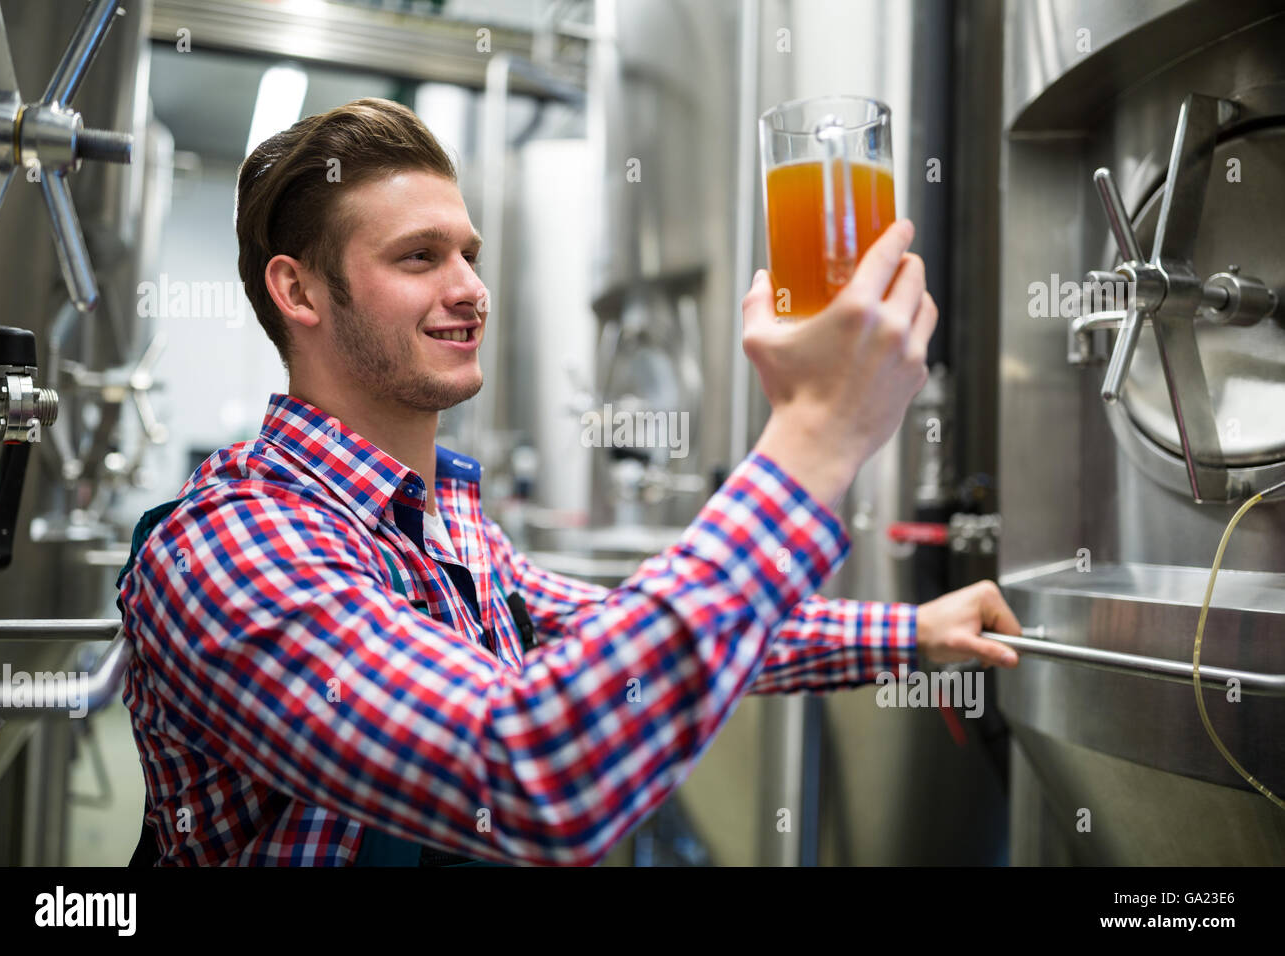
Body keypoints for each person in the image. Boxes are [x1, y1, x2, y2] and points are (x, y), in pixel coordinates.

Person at [117, 97, 1021, 866]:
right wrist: (814, 440)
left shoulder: (440, 526)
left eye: (469, 253)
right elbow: (524, 773)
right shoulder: (227, 546)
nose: (470, 287)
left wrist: (908, 635)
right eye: (419, 257)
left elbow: (612, 631)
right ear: (300, 293)